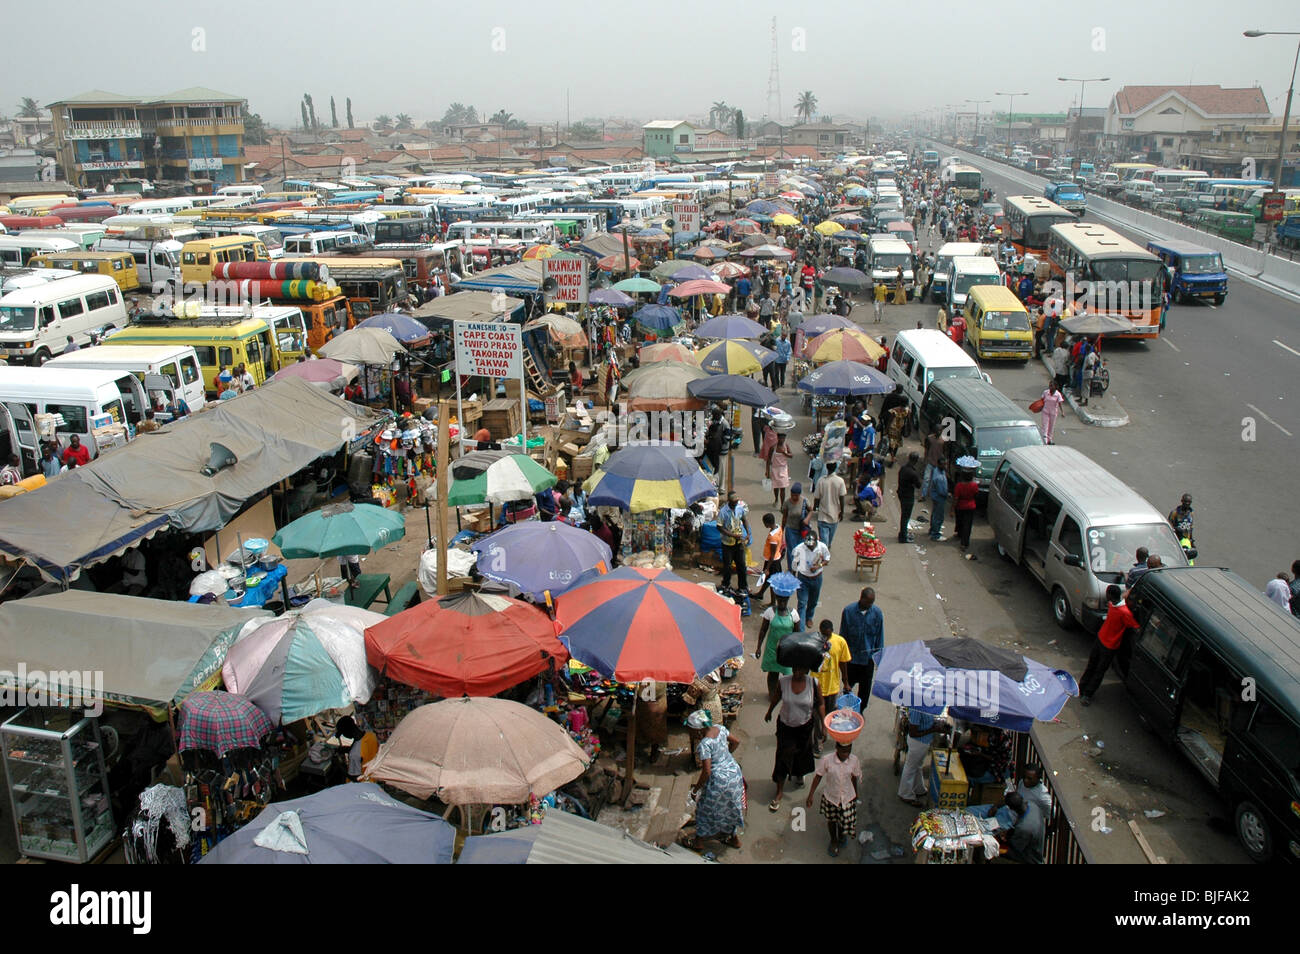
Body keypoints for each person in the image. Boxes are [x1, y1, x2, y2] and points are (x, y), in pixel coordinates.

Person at [765, 665, 824, 813]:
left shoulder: (813, 683)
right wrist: (769, 711)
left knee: (802, 753)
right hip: (786, 726)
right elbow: (777, 697)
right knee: (783, 756)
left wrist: (824, 724)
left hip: (805, 726)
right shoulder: (784, 682)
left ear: (806, 669)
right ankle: (779, 792)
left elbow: (821, 704)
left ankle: (799, 774)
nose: (798, 672)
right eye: (796, 668)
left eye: (801, 669)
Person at [686, 710, 744, 851]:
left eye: (691, 730)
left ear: (699, 730)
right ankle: (734, 839)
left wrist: (695, 789)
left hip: (719, 781)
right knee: (731, 807)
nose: (690, 733)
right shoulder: (721, 729)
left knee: (704, 810)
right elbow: (736, 742)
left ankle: (698, 842)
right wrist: (725, 757)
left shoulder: (704, 745)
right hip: (735, 775)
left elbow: (707, 771)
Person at [1079, 585, 1138, 706]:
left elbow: (1134, 627)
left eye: (1107, 594)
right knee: (1092, 665)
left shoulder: (1124, 612)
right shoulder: (1113, 604)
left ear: (1110, 595)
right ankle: (1081, 687)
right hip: (1100, 640)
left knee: (1099, 671)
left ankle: (1088, 694)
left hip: (1110, 646)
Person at [806, 742, 861, 856]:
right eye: (843, 751)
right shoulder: (827, 760)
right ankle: (833, 840)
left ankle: (841, 835)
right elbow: (818, 776)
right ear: (837, 748)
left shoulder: (854, 760)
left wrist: (856, 794)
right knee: (831, 821)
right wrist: (811, 795)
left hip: (847, 798)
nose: (846, 754)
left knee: (843, 821)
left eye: (848, 751)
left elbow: (854, 778)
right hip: (831, 797)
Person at [840, 587, 883, 710]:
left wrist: (879, 659)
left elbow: (879, 637)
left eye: (872, 602)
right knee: (848, 686)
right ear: (861, 598)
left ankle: (860, 710)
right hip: (851, 658)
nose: (870, 605)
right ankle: (847, 709)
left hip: (867, 660)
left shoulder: (877, 614)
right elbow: (843, 635)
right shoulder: (848, 611)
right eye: (868, 602)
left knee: (865, 690)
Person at [755, 593, 798, 697]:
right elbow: (763, 630)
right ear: (777, 599)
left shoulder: (794, 614)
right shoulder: (770, 612)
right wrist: (758, 647)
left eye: (784, 600)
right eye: (780, 600)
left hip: (787, 650)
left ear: (788, 599)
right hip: (772, 649)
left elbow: (797, 634)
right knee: (773, 673)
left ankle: (787, 695)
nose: (782, 603)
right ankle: (772, 694)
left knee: (787, 674)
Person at [898, 706, 938, 807]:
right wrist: (932, 729)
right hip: (918, 743)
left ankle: (919, 788)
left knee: (918, 765)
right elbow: (913, 732)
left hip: (924, 742)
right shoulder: (916, 708)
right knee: (911, 767)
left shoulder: (926, 705)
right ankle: (905, 794)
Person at [792, 532, 831, 623]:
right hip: (803, 578)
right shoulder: (799, 548)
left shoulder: (822, 547)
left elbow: (827, 559)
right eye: (808, 546)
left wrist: (819, 566)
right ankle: (800, 627)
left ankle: (809, 617)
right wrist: (793, 578)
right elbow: (794, 563)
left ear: (816, 541)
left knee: (813, 601)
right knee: (802, 602)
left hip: (817, 578)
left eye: (811, 546)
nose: (809, 548)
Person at [814, 618, 850, 716]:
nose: (825, 637)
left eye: (828, 635)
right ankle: (818, 730)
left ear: (832, 630)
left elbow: (843, 663)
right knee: (816, 714)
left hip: (832, 686)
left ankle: (825, 729)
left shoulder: (840, 642)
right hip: (816, 685)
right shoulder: (813, 641)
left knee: (828, 713)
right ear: (820, 630)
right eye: (823, 634)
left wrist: (846, 682)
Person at [717, 491, 751, 593]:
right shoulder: (723, 512)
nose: (735, 503)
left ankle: (743, 587)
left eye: (736, 501)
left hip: (739, 543)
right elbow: (719, 527)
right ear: (729, 501)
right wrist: (732, 535)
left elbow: (744, 519)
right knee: (727, 566)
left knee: (741, 565)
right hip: (727, 544)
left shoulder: (739, 508)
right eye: (733, 502)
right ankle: (726, 585)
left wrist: (748, 533)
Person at [750, 512, 786, 604]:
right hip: (776, 559)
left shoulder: (773, 537)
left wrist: (767, 568)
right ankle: (761, 594)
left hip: (772, 562)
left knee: (772, 581)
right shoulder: (778, 528)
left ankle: (773, 602)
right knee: (767, 579)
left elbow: (772, 554)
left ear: (767, 523)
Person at [1001, 791, 1046, 864]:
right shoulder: (1032, 805)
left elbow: (1016, 848)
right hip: (1036, 846)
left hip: (1030, 858)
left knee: (996, 850)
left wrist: (1003, 840)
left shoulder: (1024, 828)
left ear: (1012, 808)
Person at [812, 461, 847, 550]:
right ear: (835, 467)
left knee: (825, 541)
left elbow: (817, 498)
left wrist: (815, 508)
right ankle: (825, 553)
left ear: (826, 468)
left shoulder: (821, 480)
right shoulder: (840, 481)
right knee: (828, 541)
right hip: (835, 515)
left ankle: (825, 553)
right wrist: (842, 512)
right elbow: (842, 498)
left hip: (823, 515)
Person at [780, 483, 811, 573]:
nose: (794, 497)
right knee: (791, 551)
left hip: (802, 531)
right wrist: (782, 529)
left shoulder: (805, 501)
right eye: (792, 495)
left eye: (796, 495)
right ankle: (792, 569)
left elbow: (811, 511)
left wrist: (807, 519)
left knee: (801, 550)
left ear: (799, 494)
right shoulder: (787, 502)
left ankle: (800, 568)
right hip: (790, 529)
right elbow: (784, 516)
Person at [896, 452, 921, 543]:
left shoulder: (903, 468)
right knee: (906, 516)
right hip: (908, 496)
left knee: (904, 515)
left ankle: (903, 533)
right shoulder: (913, 473)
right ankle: (903, 536)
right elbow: (918, 485)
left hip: (901, 494)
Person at [952, 468, 979, 551]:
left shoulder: (959, 486)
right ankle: (964, 543)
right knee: (967, 525)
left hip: (960, 506)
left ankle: (959, 534)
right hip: (970, 506)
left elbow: (956, 498)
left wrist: (952, 508)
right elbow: (976, 494)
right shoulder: (974, 485)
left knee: (960, 521)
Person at [768, 432, 792, 508]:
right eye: (780, 438)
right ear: (777, 438)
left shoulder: (786, 446)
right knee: (776, 487)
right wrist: (767, 471)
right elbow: (768, 460)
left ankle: (782, 505)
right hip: (775, 469)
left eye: (783, 438)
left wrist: (784, 453)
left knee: (783, 487)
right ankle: (776, 499)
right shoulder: (773, 447)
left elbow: (791, 455)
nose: (782, 440)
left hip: (783, 469)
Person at [921, 427, 945, 499]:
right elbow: (926, 450)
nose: (939, 432)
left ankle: (932, 494)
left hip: (938, 463)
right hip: (930, 461)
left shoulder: (942, 440)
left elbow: (943, 452)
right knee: (926, 479)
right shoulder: (930, 439)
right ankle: (923, 495)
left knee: (934, 480)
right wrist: (925, 460)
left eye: (940, 430)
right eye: (938, 430)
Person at [927, 466, 949, 542]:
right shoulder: (940, 478)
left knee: (934, 514)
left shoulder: (936, 471)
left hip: (935, 497)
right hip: (939, 498)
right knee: (938, 516)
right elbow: (942, 491)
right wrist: (947, 494)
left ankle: (932, 530)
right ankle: (935, 534)